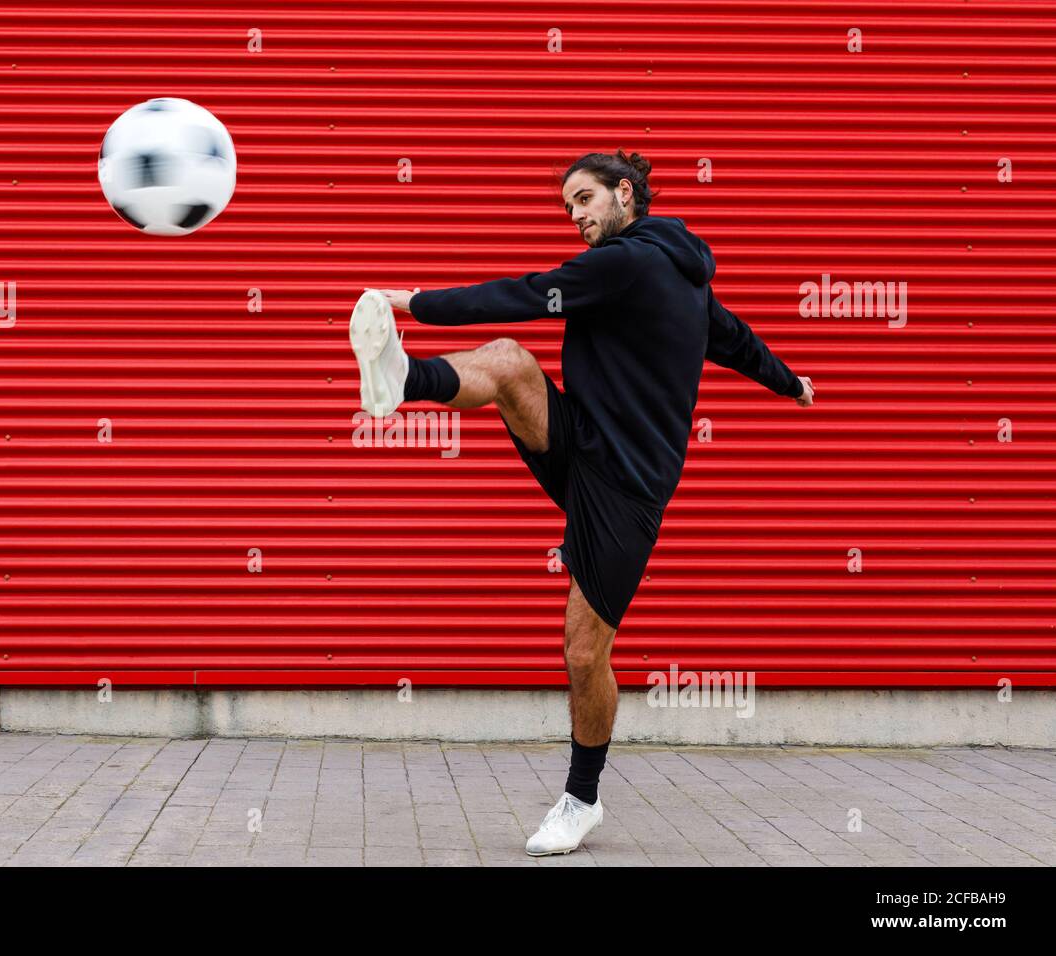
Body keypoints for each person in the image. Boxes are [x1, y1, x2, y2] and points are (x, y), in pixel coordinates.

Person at [349, 149, 816, 856]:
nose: (574, 216)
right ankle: (402, 376)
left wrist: (415, 301)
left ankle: (582, 798)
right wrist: (791, 382)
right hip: (580, 444)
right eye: (568, 206)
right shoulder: (668, 276)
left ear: (625, 193)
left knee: (582, 650)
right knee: (508, 361)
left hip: (626, 489)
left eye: (583, 199)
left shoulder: (628, 264)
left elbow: (532, 292)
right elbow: (742, 345)